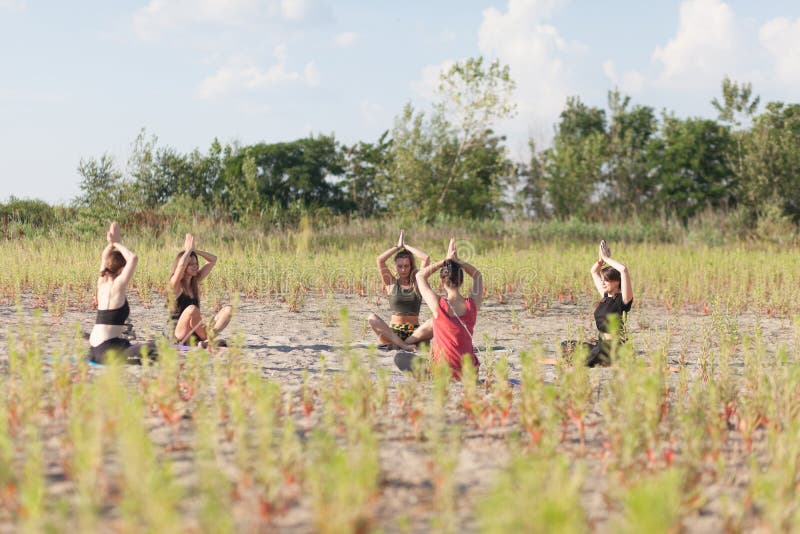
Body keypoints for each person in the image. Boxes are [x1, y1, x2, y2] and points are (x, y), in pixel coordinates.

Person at [396, 237, 483, 379]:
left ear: (442, 282)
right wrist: (458, 261)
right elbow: (478, 275)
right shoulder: (472, 305)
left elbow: (420, 276)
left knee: (400, 358)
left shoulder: (439, 306)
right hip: (469, 373)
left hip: (442, 372)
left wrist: (445, 261)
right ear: (461, 281)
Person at [89, 222, 155, 364]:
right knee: (155, 348)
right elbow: (133, 258)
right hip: (106, 351)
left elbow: (104, 257)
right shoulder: (117, 285)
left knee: (134, 347)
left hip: (94, 349)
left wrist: (111, 243)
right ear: (121, 269)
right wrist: (117, 243)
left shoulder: (101, 282)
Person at [562, 239, 633, 367]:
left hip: (613, 348)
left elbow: (623, 270)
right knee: (566, 345)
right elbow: (593, 271)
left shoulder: (623, 299)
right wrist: (600, 260)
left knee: (581, 360)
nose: (603, 282)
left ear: (617, 282)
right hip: (601, 344)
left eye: (607, 280)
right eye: (603, 280)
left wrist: (606, 258)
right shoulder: (605, 296)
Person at [367, 230, 434, 351]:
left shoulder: (418, 282)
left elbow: (426, 258)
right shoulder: (391, 283)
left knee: (435, 321)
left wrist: (406, 246)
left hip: (414, 334)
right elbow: (380, 260)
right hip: (393, 334)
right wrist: (397, 247)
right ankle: (403, 345)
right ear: (395, 266)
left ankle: (404, 344)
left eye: (406, 266)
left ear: (411, 266)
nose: (403, 270)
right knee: (371, 317)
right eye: (400, 266)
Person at [169, 233, 232, 347]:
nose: (195, 266)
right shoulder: (176, 285)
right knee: (192, 309)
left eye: (196, 263)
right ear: (184, 267)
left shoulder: (195, 281)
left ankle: (207, 341)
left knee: (228, 310)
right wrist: (188, 251)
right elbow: (181, 266)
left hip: (196, 332)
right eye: (191, 264)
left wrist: (194, 250)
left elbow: (213, 260)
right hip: (180, 333)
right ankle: (208, 340)